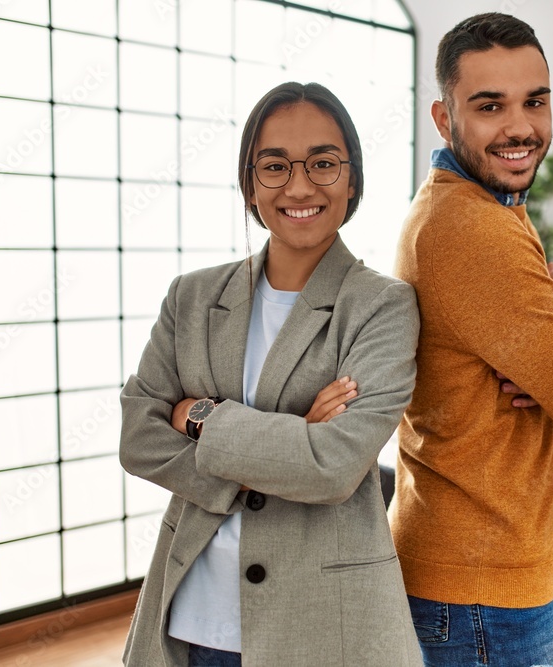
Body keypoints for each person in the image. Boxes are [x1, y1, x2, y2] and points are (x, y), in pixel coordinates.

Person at [119, 81, 422, 666]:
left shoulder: (383, 305)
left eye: (323, 163)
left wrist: (200, 417)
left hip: (323, 621)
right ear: (248, 183)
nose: (300, 186)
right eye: (275, 166)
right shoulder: (192, 298)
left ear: (352, 178)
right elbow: (139, 437)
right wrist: (292, 436)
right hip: (193, 612)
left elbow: (333, 466)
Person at [390, 13, 553, 666]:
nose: (521, 127)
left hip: (458, 572)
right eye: (490, 105)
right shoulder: (476, 231)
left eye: (536, 101)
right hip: (478, 590)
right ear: (444, 119)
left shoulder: (471, 206)